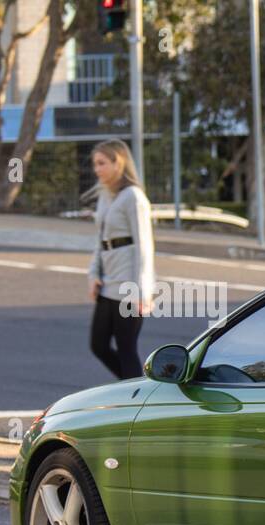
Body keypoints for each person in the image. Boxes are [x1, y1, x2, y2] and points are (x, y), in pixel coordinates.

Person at [86, 139, 155, 379]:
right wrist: (93, 273)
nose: (97, 169)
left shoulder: (134, 197)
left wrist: (141, 291)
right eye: (95, 164)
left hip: (128, 285)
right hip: (107, 282)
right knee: (98, 345)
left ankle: (135, 394)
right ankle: (133, 387)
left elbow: (144, 246)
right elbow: (100, 239)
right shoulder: (105, 196)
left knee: (127, 349)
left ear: (119, 163)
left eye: (102, 163)